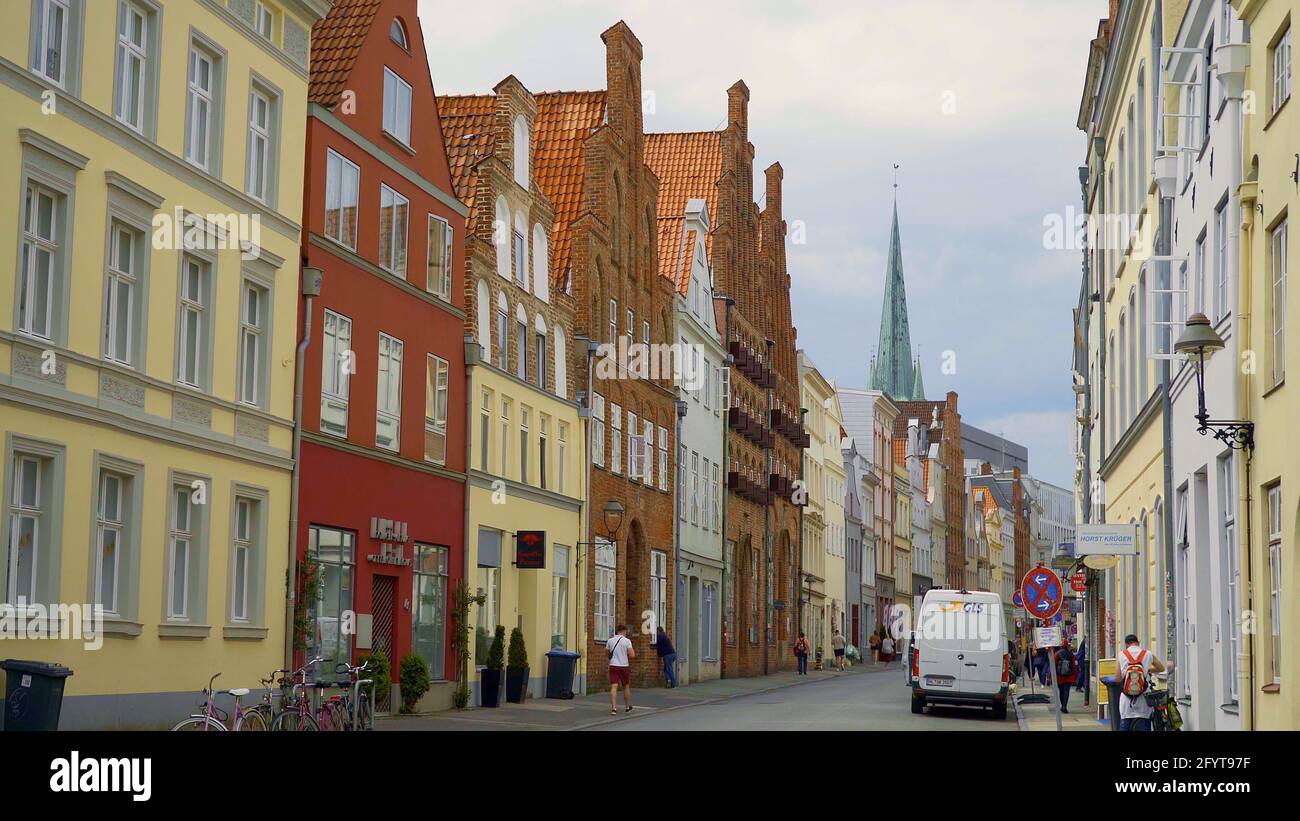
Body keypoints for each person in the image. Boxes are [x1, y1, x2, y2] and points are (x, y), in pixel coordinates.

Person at [1116, 633, 1167, 731]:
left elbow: (1118, 678)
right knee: (1144, 726)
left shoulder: (1121, 655)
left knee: (1125, 726)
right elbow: (1161, 668)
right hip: (1143, 698)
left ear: (1127, 644)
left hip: (1126, 700)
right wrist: (1147, 670)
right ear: (1138, 642)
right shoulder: (1147, 654)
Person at [606, 625, 636, 716]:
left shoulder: (610, 641)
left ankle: (614, 708)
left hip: (613, 665)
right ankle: (627, 707)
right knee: (626, 686)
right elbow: (632, 655)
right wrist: (625, 652)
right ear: (623, 631)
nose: (626, 633)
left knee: (614, 686)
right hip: (624, 666)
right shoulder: (627, 641)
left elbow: (607, 652)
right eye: (625, 631)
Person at [1053, 642, 1078, 712]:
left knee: (1061, 691)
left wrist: (1051, 677)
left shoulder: (1057, 654)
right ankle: (1065, 706)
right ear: (1067, 646)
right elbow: (1073, 666)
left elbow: (1053, 665)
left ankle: (1062, 705)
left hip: (1059, 676)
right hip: (1069, 676)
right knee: (1066, 691)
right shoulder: (1071, 654)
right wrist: (1075, 676)